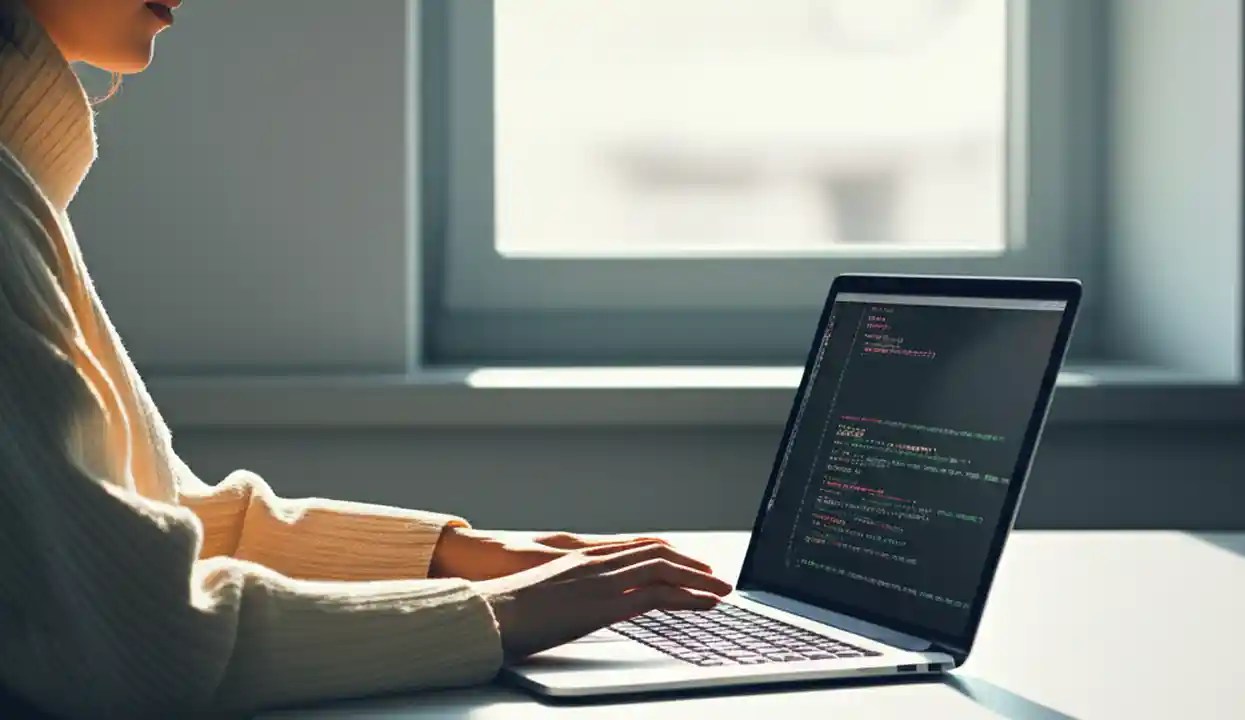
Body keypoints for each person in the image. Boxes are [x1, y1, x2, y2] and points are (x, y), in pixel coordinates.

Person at [0, 1, 733, 717]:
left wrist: (458, 556)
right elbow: (138, 635)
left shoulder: (21, 182)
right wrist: (499, 611)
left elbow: (161, 519)